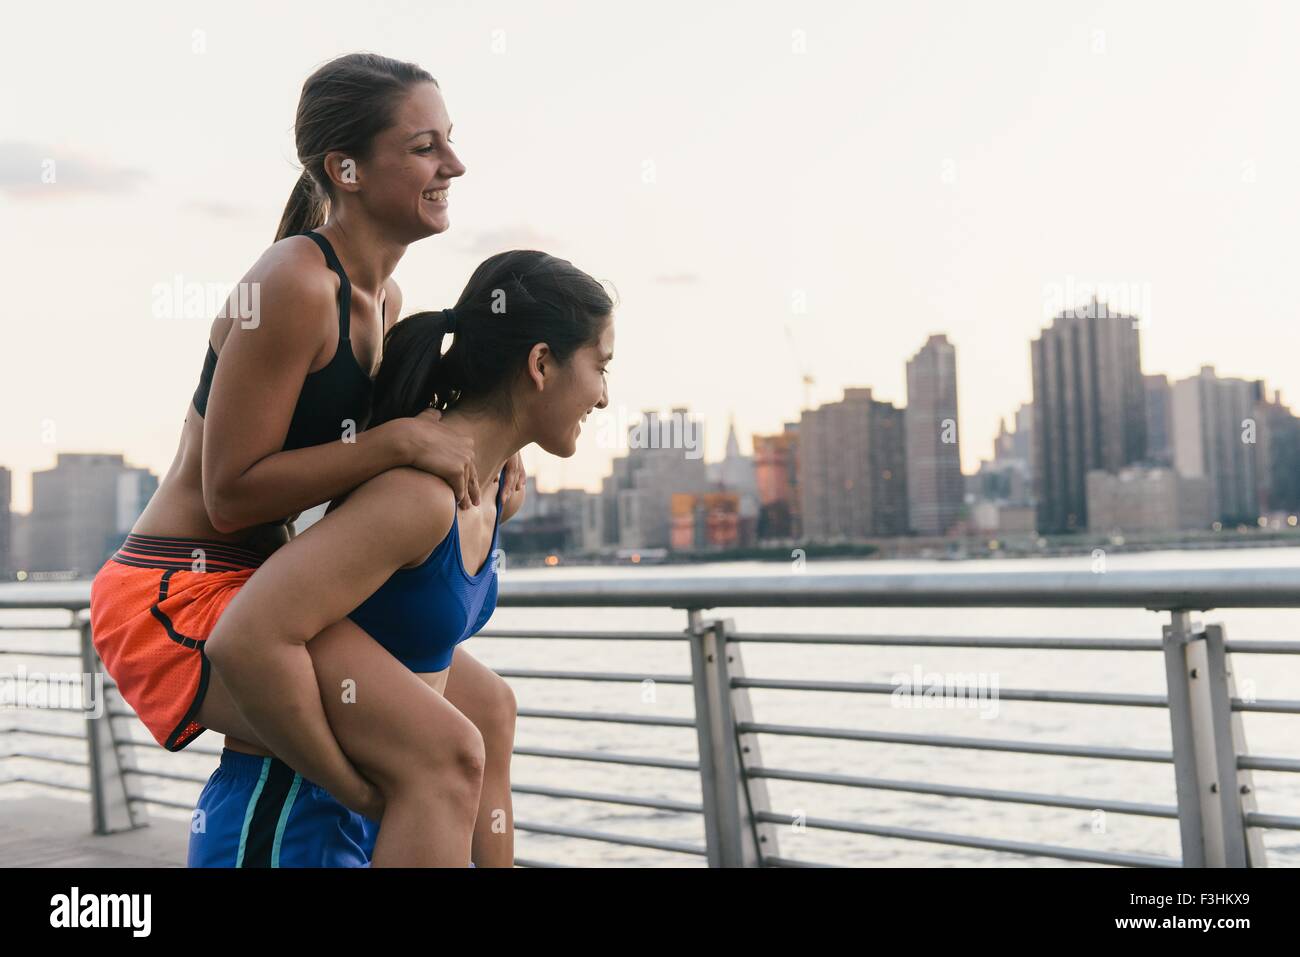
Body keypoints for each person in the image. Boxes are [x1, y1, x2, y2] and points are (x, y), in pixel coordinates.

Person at [88, 52, 524, 848]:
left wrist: (483, 448)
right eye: (426, 146)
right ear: (346, 169)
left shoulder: (382, 299)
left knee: (487, 709)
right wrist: (397, 441)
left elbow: (389, 445)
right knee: (440, 753)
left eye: (450, 142)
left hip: (259, 583)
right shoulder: (294, 280)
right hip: (172, 592)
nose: (454, 165)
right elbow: (232, 494)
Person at [191, 249, 615, 866]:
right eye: (601, 367)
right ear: (541, 364)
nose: (604, 397)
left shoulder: (493, 493)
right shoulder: (417, 499)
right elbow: (242, 640)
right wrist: (355, 788)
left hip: (391, 813)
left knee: (490, 711)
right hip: (290, 821)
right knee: (457, 748)